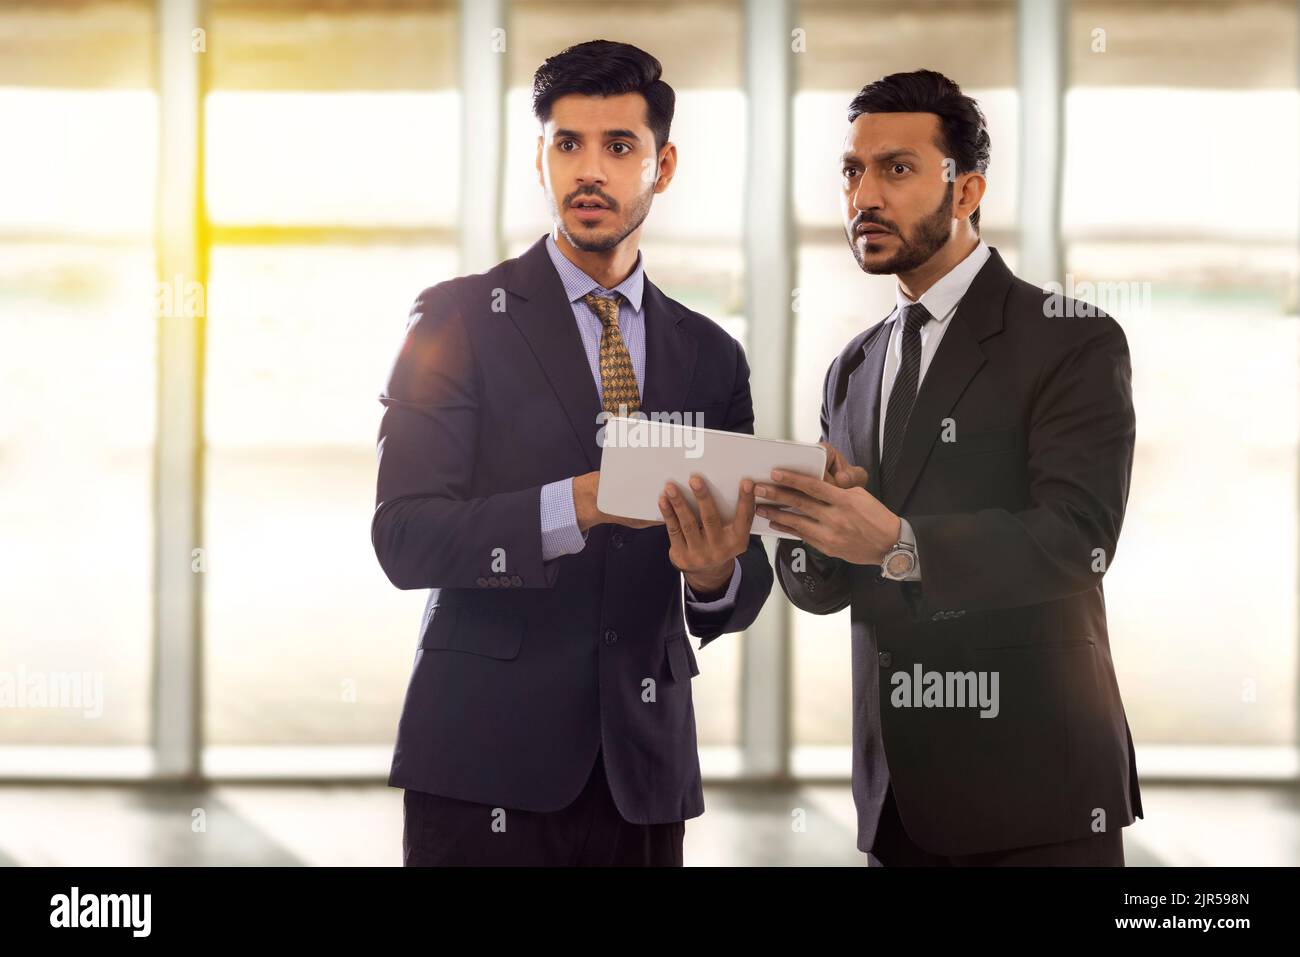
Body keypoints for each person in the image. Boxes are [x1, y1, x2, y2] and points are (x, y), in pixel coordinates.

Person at [371, 39, 772, 866]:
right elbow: (405, 537)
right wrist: (583, 500)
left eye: (619, 146)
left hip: (643, 774)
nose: (590, 170)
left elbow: (739, 580)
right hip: (483, 764)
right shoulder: (456, 322)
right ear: (542, 158)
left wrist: (712, 574)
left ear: (662, 167)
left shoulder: (712, 355)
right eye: (568, 143)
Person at [762, 69, 1142, 866]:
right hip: (895, 805)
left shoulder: (1070, 338)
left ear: (965, 190)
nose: (864, 194)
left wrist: (900, 543)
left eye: (895, 169)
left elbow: (1078, 539)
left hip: (1038, 800)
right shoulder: (852, 367)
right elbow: (828, 581)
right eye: (851, 171)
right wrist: (791, 528)